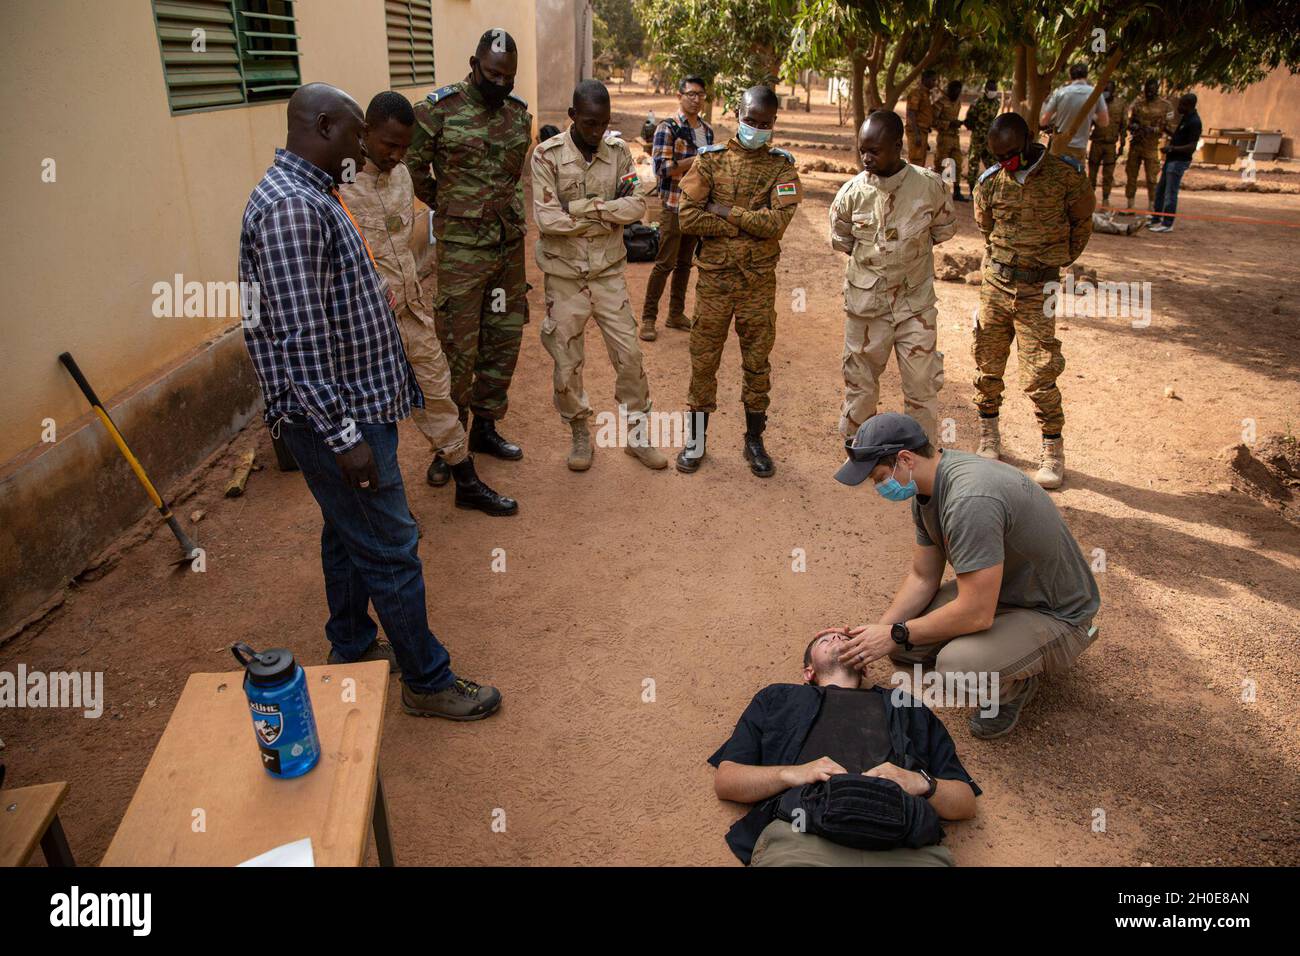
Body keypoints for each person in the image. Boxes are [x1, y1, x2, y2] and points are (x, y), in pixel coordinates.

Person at [239, 83, 501, 720]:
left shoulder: (309, 194)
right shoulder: (295, 209)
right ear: (323, 126)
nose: (361, 149)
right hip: (342, 418)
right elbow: (301, 339)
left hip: (356, 407)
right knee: (391, 544)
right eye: (356, 136)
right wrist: (343, 436)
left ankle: (353, 645)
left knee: (345, 532)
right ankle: (426, 680)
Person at [825, 413, 1100, 740]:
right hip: (1008, 593)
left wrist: (897, 633)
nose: (877, 486)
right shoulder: (927, 488)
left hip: (1055, 613)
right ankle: (1001, 647)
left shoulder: (970, 501)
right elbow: (922, 577)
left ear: (905, 459)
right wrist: (882, 633)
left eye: (879, 476)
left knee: (956, 667)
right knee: (903, 649)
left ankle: (1014, 686)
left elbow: (976, 613)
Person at [341, 92, 516, 516]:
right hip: (365, 325)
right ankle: (388, 517)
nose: (398, 156)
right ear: (366, 134)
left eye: (405, 147)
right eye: (389, 145)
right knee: (374, 420)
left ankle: (465, 480)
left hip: (411, 309)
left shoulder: (401, 175)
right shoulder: (339, 181)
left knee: (439, 392)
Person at [708, 626, 980, 866]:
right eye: (824, 640)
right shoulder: (777, 697)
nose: (837, 636)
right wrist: (791, 773)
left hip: (904, 847)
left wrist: (921, 782)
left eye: (845, 637)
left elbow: (965, 802)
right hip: (802, 843)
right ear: (808, 671)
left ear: (864, 667)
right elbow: (727, 780)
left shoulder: (908, 706)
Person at [405, 28, 531, 472]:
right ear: (474, 64)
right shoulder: (435, 112)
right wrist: (451, 206)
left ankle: (486, 427)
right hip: (461, 251)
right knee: (457, 347)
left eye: (509, 78)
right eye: (494, 74)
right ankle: (449, 446)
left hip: (508, 243)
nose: (501, 84)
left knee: (502, 340)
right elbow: (414, 170)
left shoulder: (518, 114)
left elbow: (514, 176)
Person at [531, 80, 668, 472]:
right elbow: (546, 218)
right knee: (567, 361)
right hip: (565, 277)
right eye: (590, 123)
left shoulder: (619, 152)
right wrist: (605, 211)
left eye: (604, 124)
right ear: (572, 117)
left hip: (607, 274)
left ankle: (637, 436)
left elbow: (637, 206)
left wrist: (582, 210)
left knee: (630, 355)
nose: (597, 132)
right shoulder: (546, 156)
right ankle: (579, 431)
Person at [676, 85, 801, 478]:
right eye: (750, 121)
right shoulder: (710, 161)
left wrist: (726, 212)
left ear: (774, 123)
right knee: (703, 360)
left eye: (764, 124)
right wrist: (747, 224)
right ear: (737, 114)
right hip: (714, 283)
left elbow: (776, 225)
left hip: (758, 285)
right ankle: (696, 442)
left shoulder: (782, 166)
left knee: (757, 363)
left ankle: (754, 440)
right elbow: (688, 218)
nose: (756, 129)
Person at [972, 112, 1094, 489]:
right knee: (987, 363)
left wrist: (1055, 261)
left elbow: (1082, 224)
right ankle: (989, 435)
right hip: (996, 283)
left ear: (1027, 140)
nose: (1004, 162)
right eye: (997, 157)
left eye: (1009, 154)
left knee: (1041, 372)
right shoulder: (990, 182)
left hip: (1039, 289)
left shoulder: (1066, 178)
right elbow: (985, 227)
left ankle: (1052, 451)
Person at [829, 110, 955, 444]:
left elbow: (942, 230)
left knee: (922, 386)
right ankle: (858, 450)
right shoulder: (851, 194)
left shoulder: (930, 187)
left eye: (875, 150)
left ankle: (921, 456)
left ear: (898, 146)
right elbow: (843, 240)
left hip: (915, 307)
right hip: (867, 308)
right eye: (862, 150)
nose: (866, 158)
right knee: (860, 385)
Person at [639, 75, 714, 342]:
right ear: (679, 96)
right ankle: (648, 318)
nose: (696, 99)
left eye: (700, 95)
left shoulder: (706, 130)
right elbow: (661, 169)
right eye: (691, 94)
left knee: (685, 264)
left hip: (697, 208)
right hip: (673, 206)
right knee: (664, 264)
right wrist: (696, 160)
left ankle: (675, 314)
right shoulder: (667, 128)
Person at [1039, 62, 1108, 174]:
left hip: (1059, 146)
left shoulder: (1060, 93)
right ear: (1086, 76)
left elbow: (1043, 121)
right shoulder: (1095, 94)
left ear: (1070, 76)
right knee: (1076, 182)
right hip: (1079, 147)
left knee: (1056, 180)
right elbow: (1104, 122)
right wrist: (1091, 115)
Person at [1149, 93, 1201, 233]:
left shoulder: (1194, 122)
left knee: (1170, 193)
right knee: (1161, 190)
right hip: (1171, 159)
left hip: (1179, 161)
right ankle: (1156, 218)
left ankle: (1167, 222)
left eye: (1182, 104)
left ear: (1189, 105)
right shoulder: (1186, 119)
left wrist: (1172, 148)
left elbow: (1191, 146)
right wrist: (1166, 130)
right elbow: (1179, 137)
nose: (1179, 107)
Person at [1125, 78, 1172, 213]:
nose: (1149, 92)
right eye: (1147, 89)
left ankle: (1152, 205)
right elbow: (1130, 121)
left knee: (1151, 177)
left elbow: (1168, 127)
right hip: (1136, 144)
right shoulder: (1138, 104)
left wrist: (1154, 130)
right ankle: (1130, 204)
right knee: (1131, 175)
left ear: (1157, 89)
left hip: (1151, 145)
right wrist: (1134, 126)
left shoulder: (1166, 106)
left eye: (1152, 89)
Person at [1087, 80, 1126, 208]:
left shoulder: (1120, 104)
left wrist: (1122, 144)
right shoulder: (1096, 103)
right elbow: (1089, 123)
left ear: (1114, 90)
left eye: (1108, 90)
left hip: (1111, 144)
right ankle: (1090, 200)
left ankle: (1105, 199)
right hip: (1096, 143)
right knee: (1092, 173)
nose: (1106, 93)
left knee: (1108, 174)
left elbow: (1123, 126)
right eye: (1104, 90)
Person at [932, 79, 968, 201]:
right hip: (944, 137)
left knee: (957, 163)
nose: (957, 94)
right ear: (950, 90)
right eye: (955, 91)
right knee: (941, 164)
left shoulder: (958, 102)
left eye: (959, 92)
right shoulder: (940, 103)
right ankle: (938, 191)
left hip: (955, 137)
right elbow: (933, 121)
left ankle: (956, 191)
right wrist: (948, 124)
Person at [963, 78, 1000, 196]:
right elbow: (968, 120)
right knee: (973, 164)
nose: (993, 91)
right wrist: (977, 128)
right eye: (991, 89)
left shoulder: (996, 103)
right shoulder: (977, 102)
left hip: (989, 139)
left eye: (995, 89)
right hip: (977, 139)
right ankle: (972, 192)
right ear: (986, 89)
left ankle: (992, 190)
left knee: (993, 164)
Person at [904, 70, 938, 166]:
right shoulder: (916, 93)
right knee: (916, 162)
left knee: (921, 162)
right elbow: (911, 113)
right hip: (916, 131)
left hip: (923, 131)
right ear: (925, 80)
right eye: (933, 80)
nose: (934, 83)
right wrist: (916, 134)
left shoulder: (926, 94)